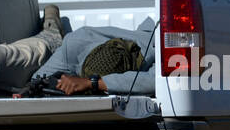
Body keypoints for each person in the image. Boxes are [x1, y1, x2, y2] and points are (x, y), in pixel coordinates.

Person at [29, 19, 158, 95]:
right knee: (48, 40)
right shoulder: (76, 43)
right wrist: (27, 92)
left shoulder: (155, 53)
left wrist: (91, 84)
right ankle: (52, 21)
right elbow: (37, 79)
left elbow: (154, 82)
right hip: (58, 40)